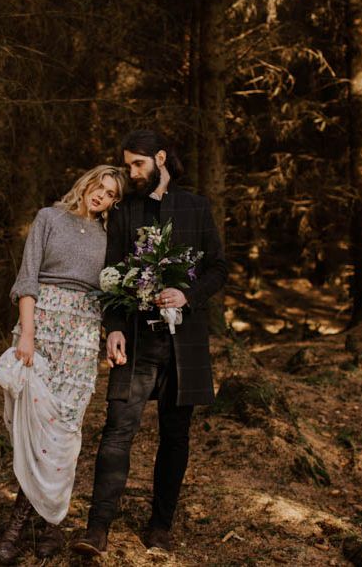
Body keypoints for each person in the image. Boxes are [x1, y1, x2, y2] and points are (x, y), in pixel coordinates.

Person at [73, 129, 228, 556]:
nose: (131, 172)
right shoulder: (125, 211)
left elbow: (218, 267)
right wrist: (115, 326)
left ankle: (160, 527)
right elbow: (109, 275)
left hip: (185, 341)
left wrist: (189, 294)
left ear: (161, 157)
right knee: (117, 430)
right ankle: (96, 529)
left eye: (138, 164)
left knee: (176, 436)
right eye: (127, 165)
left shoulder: (196, 207)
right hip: (137, 340)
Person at [0, 165, 125, 565]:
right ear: (86, 184)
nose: (101, 196)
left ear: (115, 203)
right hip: (41, 328)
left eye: (111, 194)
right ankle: (37, 522)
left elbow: (108, 297)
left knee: (65, 430)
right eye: (99, 187)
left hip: (82, 336)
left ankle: (39, 523)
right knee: (31, 428)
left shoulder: (109, 239)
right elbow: (27, 278)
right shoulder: (49, 218)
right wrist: (28, 334)